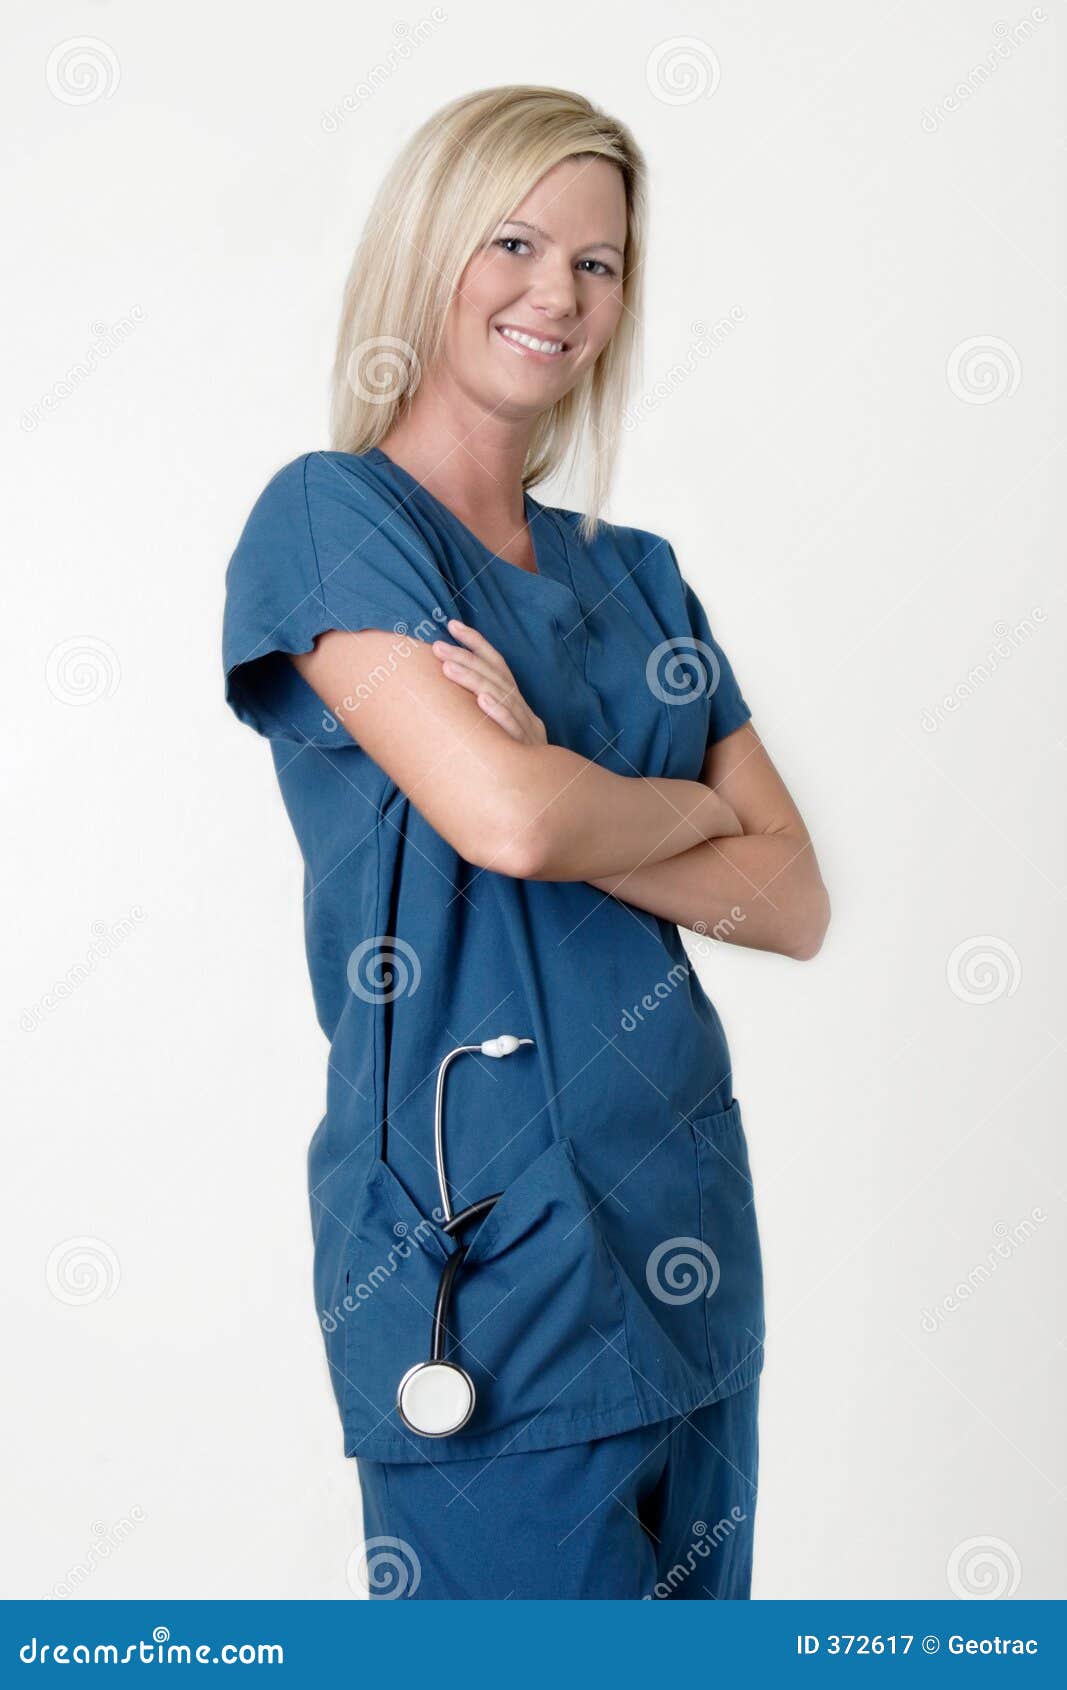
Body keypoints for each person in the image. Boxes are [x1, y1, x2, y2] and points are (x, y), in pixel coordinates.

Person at [221, 84, 830, 1601]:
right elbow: (502, 817)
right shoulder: (331, 521)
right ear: (432, 248)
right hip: (476, 1269)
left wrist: (567, 782)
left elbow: (795, 896)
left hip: (683, 1234)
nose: (556, 293)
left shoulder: (640, 574)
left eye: (599, 263)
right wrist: (671, 807)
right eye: (515, 241)